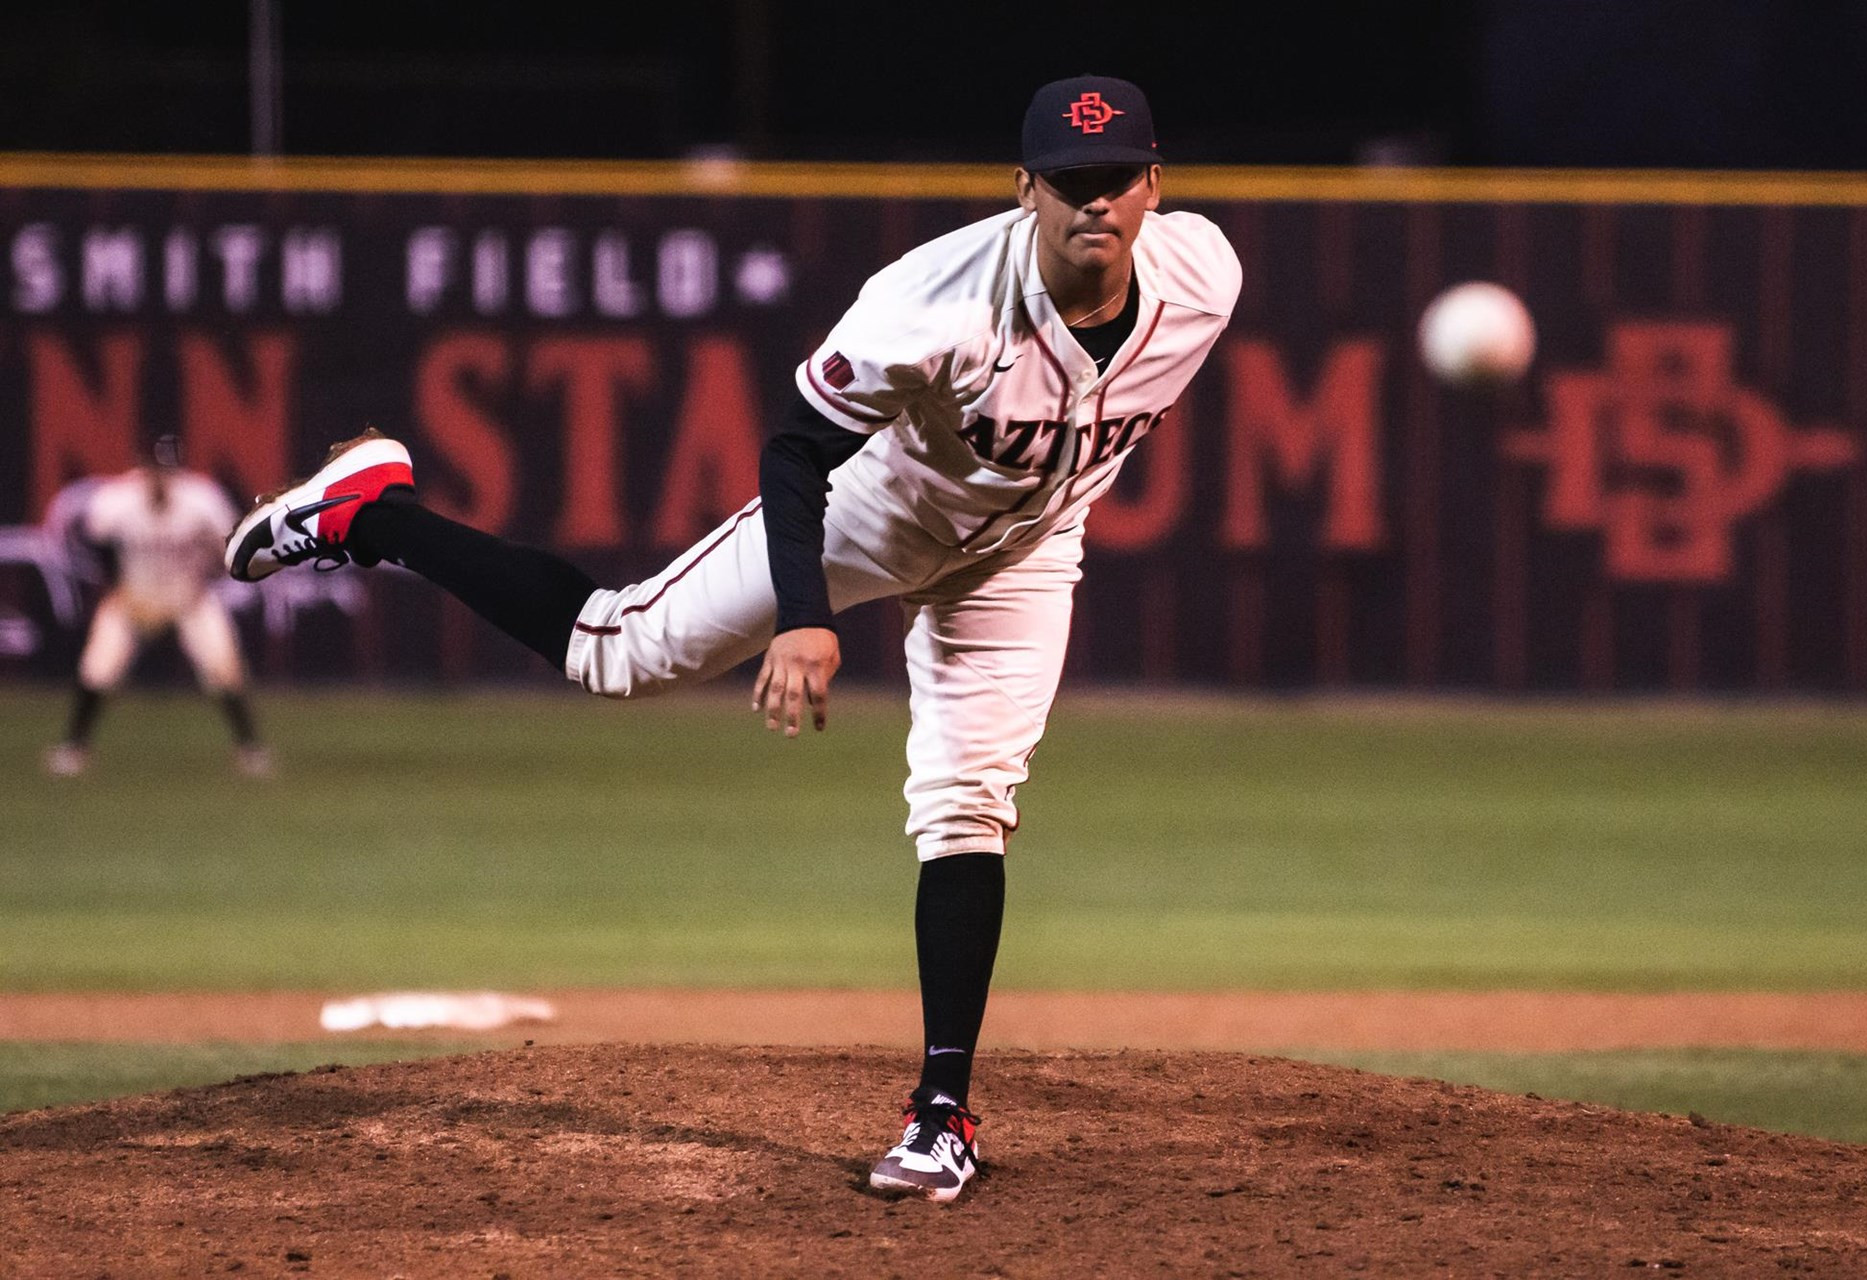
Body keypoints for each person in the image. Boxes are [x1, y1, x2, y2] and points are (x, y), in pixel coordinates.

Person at [225, 74, 1239, 1202]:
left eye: (1117, 179)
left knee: (969, 799)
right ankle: (370, 512)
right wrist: (806, 615)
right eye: (1070, 180)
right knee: (617, 650)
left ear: (1156, 184)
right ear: (1026, 188)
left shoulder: (1205, 275)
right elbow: (797, 450)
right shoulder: (936, 300)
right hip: (879, 505)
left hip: (1027, 549)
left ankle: (939, 1116)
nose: (1094, 203)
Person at [46, 435, 272, 778]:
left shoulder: (201, 500)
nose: (160, 477)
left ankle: (250, 749)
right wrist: (119, 589)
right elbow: (97, 546)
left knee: (224, 667)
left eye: (167, 470)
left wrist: (203, 579)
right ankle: (73, 749)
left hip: (189, 599)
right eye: (154, 469)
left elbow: (228, 548)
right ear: (143, 467)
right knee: (98, 667)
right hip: (133, 599)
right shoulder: (117, 499)